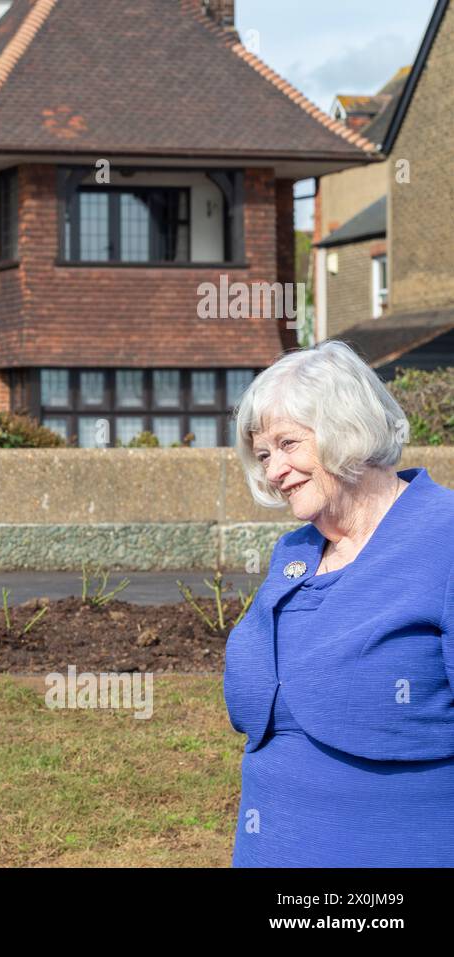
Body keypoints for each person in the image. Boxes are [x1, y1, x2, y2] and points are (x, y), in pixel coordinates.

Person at [224, 339, 454, 866]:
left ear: (346, 428)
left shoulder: (445, 538)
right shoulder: (295, 553)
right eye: (263, 454)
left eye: (288, 444)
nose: (274, 470)